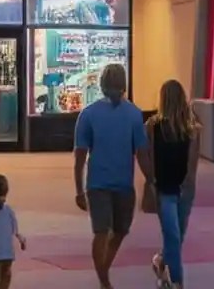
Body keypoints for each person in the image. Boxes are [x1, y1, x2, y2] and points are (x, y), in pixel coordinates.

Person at [73, 63, 152, 289]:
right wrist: (151, 180)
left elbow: (79, 157)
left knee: (103, 232)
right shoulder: (134, 115)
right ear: (124, 84)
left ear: (101, 83)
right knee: (116, 231)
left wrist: (79, 189)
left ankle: (103, 273)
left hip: (98, 183)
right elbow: (142, 153)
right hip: (121, 184)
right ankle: (104, 279)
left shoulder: (88, 115)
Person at [146, 80, 201, 289]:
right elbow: (149, 157)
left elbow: (192, 163)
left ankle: (161, 260)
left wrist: (187, 186)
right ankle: (178, 282)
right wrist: (152, 184)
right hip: (165, 190)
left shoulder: (192, 129)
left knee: (177, 237)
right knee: (173, 234)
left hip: (182, 190)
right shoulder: (152, 126)